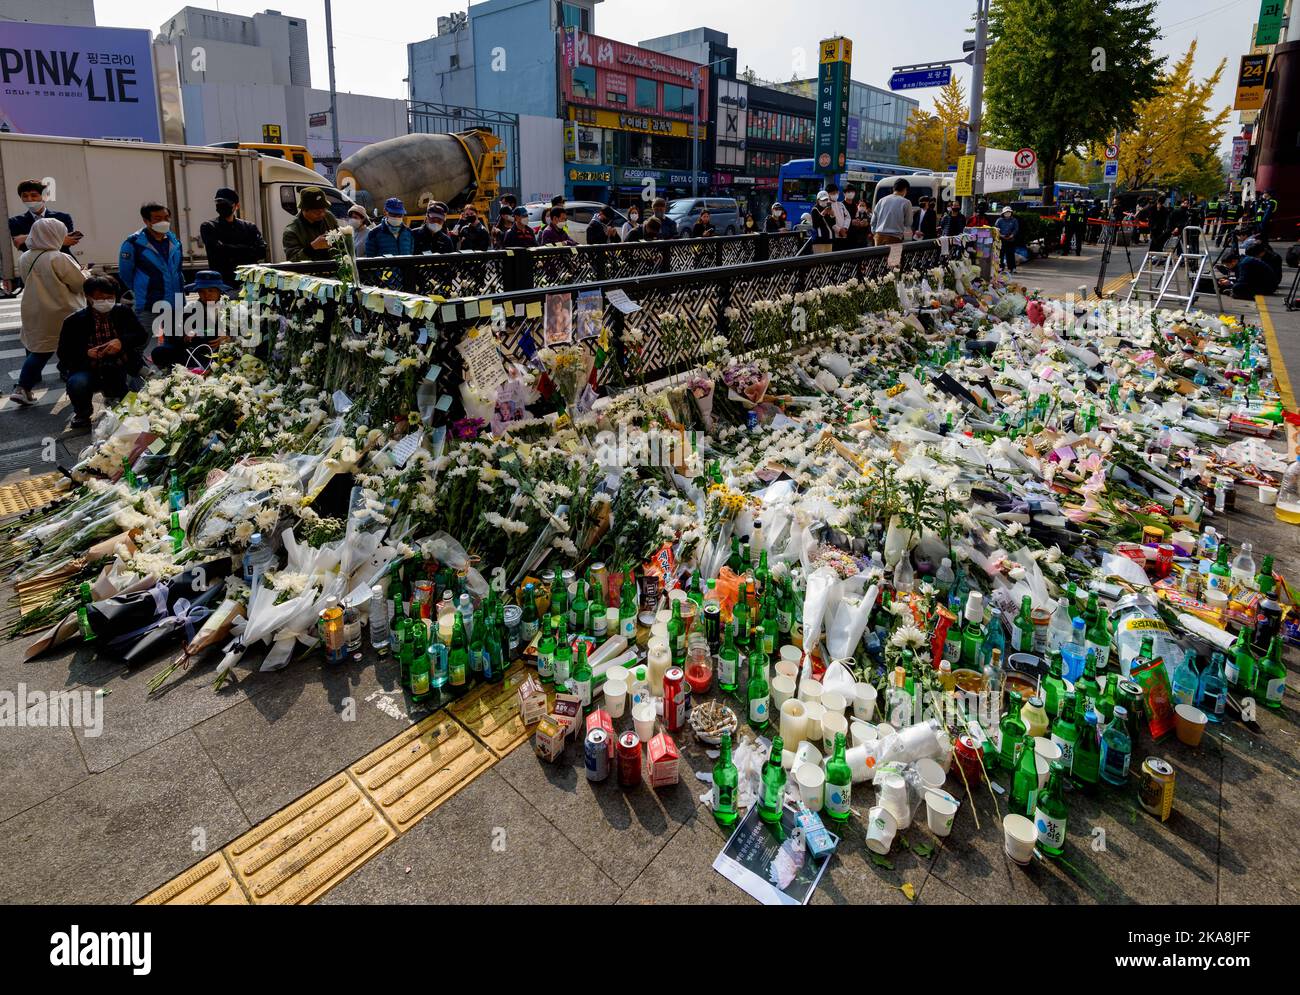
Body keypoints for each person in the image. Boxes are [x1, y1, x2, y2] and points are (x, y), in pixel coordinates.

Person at [9, 217, 86, 406]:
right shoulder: (59, 257)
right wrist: (86, 273)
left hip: (35, 309)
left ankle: (22, 388)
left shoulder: (25, 257)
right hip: (64, 310)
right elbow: (78, 284)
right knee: (74, 350)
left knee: (40, 351)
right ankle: (76, 387)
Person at [57, 275, 148, 429]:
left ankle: (120, 402)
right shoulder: (73, 321)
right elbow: (64, 353)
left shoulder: (123, 312)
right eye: (100, 299)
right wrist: (86, 353)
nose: (106, 302)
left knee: (145, 394)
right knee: (78, 383)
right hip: (88, 368)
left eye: (110, 298)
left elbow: (141, 335)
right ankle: (82, 413)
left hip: (123, 363)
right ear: (89, 297)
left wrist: (122, 342)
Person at [151, 269, 231, 372]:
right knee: (160, 352)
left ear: (220, 291)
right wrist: (186, 336)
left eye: (211, 290)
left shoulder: (230, 308)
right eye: (202, 291)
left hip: (223, 352)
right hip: (196, 352)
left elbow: (242, 333)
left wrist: (228, 337)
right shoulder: (190, 308)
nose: (206, 295)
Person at [119, 202, 184, 329]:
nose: (164, 222)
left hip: (174, 303)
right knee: (144, 342)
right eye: (158, 219)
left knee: (174, 343)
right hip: (149, 304)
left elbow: (178, 271)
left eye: (166, 218)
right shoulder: (134, 244)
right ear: (146, 221)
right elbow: (125, 274)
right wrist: (142, 289)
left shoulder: (174, 242)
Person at [199, 187, 266, 288]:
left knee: (253, 304)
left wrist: (227, 248)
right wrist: (248, 249)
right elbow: (217, 252)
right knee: (220, 304)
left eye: (226, 203)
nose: (221, 206)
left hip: (249, 284)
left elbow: (262, 251)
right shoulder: (208, 226)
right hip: (222, 285)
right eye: (218, 203)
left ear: (236, 206)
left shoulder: (249, 227)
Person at [9, 179, 78, 256]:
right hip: (35, 264)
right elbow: (23, 246)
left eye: (33, 195)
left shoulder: (63, 217)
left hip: (63, 263)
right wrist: (58, 239)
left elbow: (68, 242)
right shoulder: (15, 221)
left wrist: (26, 238)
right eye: (25, 196)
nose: (29, 199)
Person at [282, 186, 341, 262]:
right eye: (317, 212)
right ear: (304, 210)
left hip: (333, 268)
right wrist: (312, 247)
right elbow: (292, 260)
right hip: (309, 272)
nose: (322, 214)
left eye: (324, 209)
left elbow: (341, 243)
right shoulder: (291, 231)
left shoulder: (328, 217)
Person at [871, 178, 911, 245]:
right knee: (894, 256)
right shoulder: (906, 202)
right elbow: (908, 223)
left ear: (893, 189)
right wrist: (907, 240)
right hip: (895, 238)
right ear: (905, 189)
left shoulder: (881, 200)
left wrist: (875, 233)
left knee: (879, 255)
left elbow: (873, 221)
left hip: (879, 237)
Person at [994, 207, 1020, 274]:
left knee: (1010, 254)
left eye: (1009, 212)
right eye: (1006, 212)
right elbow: (996, 229)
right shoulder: (999, 220)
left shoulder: (1014, 220)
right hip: (1001, 240)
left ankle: (1012, 268)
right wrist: (1001, 235)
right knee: (1001, 254)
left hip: (1011, 239)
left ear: (1011, 213)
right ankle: (1000, 267)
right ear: (1003, 213)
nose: (1007, 213)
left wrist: (1012, 235)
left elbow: (1016, 229)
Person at [826, 181, 850, 250]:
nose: (836, 194)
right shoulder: (827, 206)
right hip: (833, 236)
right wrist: (839, 230)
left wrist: (845, 228)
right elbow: (829, 221)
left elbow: (848, 217)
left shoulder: (841, 205)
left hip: (843, 235)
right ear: (828, 194)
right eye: (833, 193)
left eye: (837, 192)